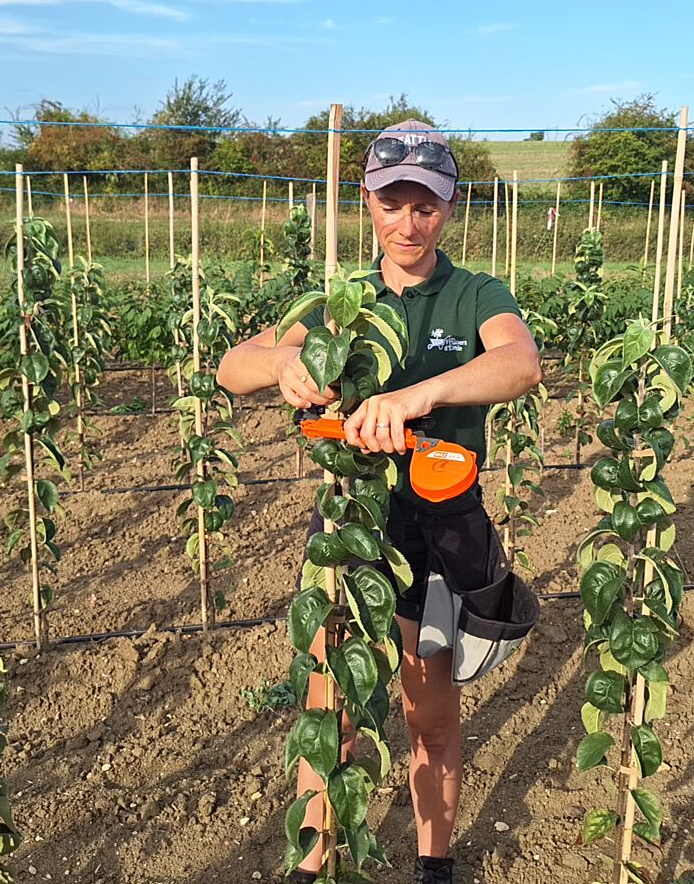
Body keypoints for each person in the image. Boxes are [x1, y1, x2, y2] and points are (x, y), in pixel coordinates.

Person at [217, 121, 542, 884]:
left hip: (435, 521)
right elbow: (233, 367)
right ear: (367, 201)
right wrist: (284, 363)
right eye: (391, 202)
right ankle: (311, 863)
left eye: (424, 205)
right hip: (352, 521)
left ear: (449, 207)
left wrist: (419, 394)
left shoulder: (474, 295)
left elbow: (520, 363)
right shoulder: (342, 301)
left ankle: (434, 865)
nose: (408, 221)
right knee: (330, 707)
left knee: (428, 709)